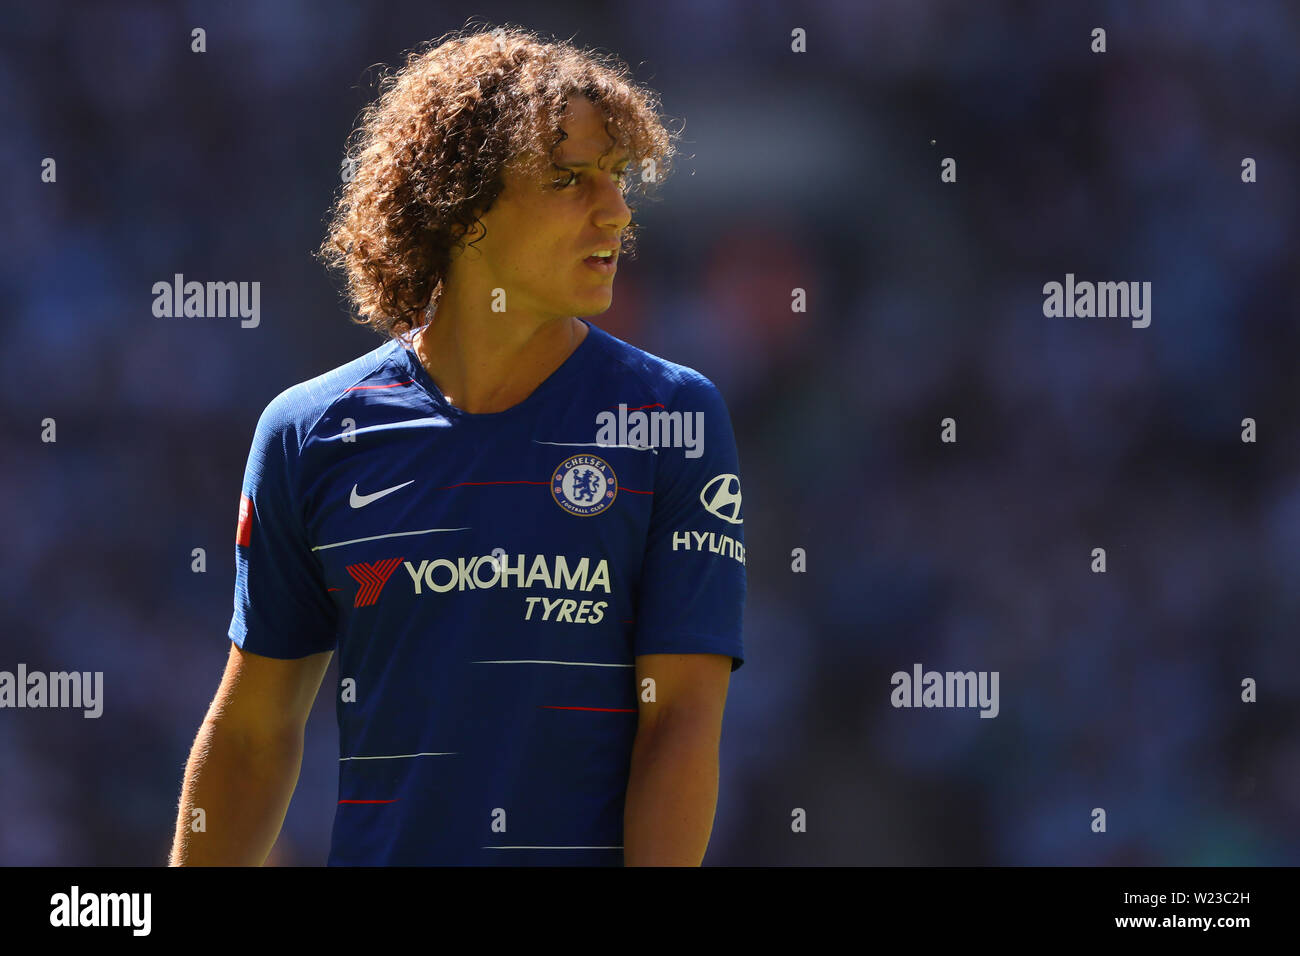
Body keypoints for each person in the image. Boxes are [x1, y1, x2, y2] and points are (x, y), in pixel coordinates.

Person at [169, 24, 745, 867]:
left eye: (617, 176)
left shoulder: (672, 419)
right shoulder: (309, 432)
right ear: (462, 205)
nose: (616, 209)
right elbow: (254, 737)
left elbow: (681, 723)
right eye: (568, 179)